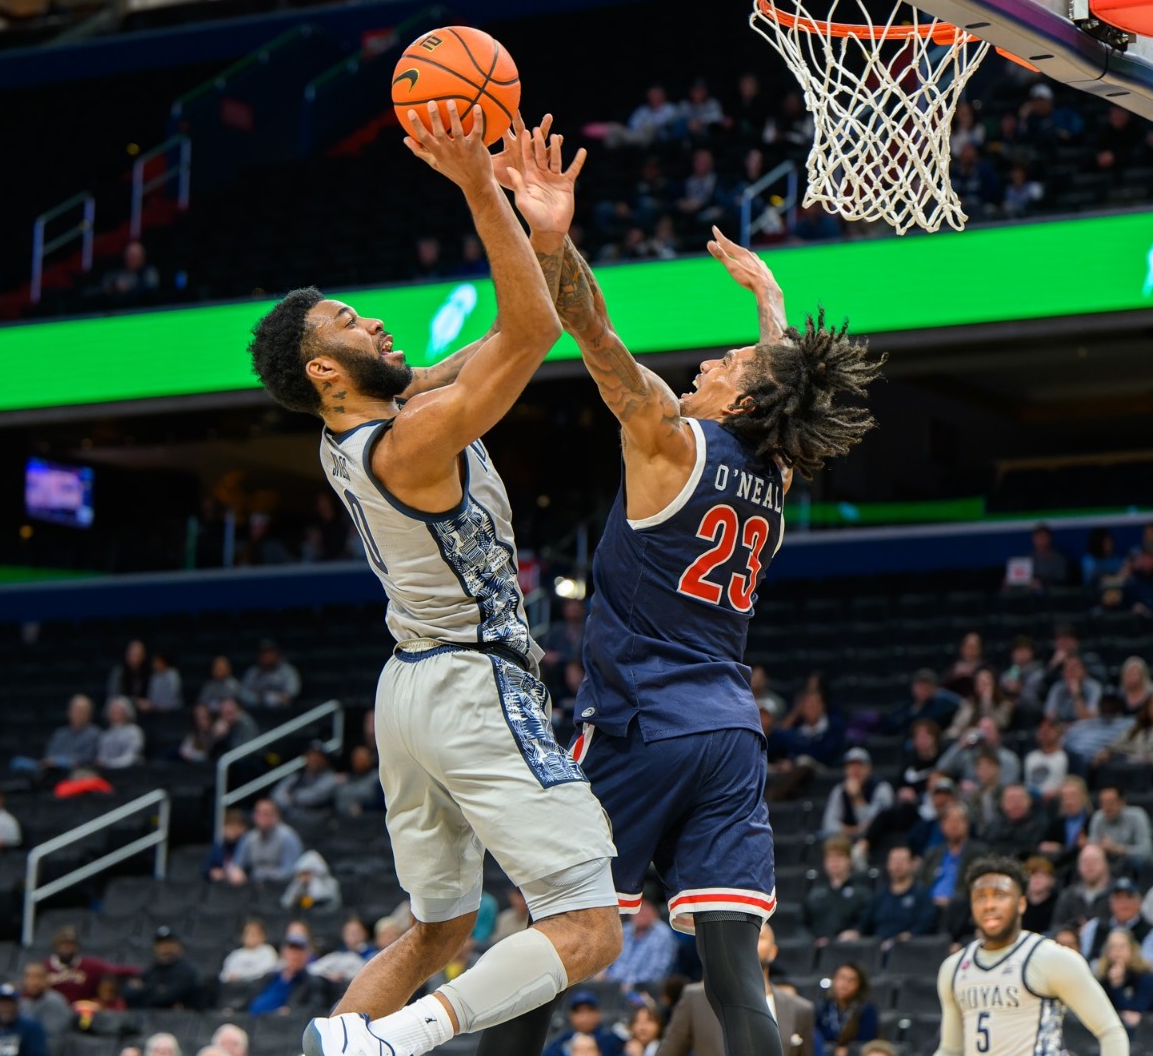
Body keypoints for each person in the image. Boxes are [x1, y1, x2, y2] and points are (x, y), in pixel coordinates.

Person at [485, 123, 880, 1056]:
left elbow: (590, 326)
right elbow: (783, 384)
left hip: (642, 722)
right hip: (730, 732)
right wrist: (772, 303)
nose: (710, 362)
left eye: (728, 364)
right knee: (738, 976)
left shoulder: (667, 434)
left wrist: (551, 237)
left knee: (557, 935)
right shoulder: (776, 474)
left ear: (744, 400)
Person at [251, 106, 621, 1056]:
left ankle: (336, 1043)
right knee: (590, 927)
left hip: (409, 692)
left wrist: (544, 229)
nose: (372, 315)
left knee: (439, 928)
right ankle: (399, 1040)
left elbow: (509, 329)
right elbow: (532, 332)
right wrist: (473, 185)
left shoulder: (365, 419)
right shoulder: (409, 440)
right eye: (347, 320)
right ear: (326, 370)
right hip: (471, 682)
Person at [933, 856, 1128, 1056]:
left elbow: (1110, 1031)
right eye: (980, 896)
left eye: (1000, 895)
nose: (989, 905)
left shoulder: (1050, 958)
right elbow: (950, 1050)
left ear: (1021, 904)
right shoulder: (954, 967)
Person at [861, 845, 938, 946]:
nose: (897, 865)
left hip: (908, 949)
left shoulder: (921, 894)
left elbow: (926, 922)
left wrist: (909, 935)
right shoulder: (880, 895)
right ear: (887, 865)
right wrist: (856, 931)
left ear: (912, 864)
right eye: (894, 861)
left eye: (902, 861)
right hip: (878, 948)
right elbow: (866, 922)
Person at [1092, 929, 1153, 1032]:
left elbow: (1134, 1013)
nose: (1117, 951)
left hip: (1144, 1032)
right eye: (1113, 947)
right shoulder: (1103, 977)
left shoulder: (1145, 976)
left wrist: (1117, 986)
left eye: (1122, 947)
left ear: (1132, 950)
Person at [0, 983, 52, 1056]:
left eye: (9, 1003)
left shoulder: (31, 1028)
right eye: (2, 1003)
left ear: (17, 1005)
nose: (5, 1008)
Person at [817, 963, 878, 1056]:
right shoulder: (822, 1006)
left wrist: (848, 1050)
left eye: (851, 980)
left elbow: (867, 1042)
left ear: (859, 985)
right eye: (841, 978)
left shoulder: (866, 1010)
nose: (844, 984)